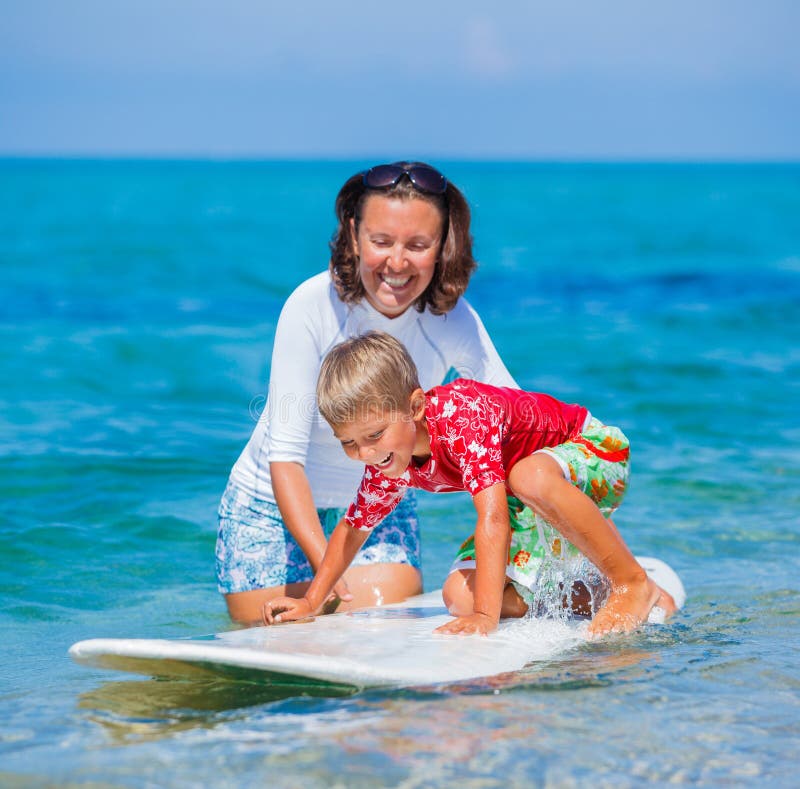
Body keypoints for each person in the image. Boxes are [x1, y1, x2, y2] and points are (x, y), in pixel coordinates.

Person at [216, 162, 517, 624]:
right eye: (381, 242)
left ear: (442, 247)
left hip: (380, 498)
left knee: (384, 620)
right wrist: (325, 571)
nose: (397, 263)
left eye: (417, 245)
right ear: (354, 236)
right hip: (271, 509)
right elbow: (286, 456)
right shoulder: (312, 306)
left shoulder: (453, 321)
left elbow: (516, 416)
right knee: (275, 626)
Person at [262, 331, 678, 637]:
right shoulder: (390, 459)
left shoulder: (462, 418)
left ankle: (630, 581)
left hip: (591, 455)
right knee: (459, 595)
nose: (366, 453)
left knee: (527, 477)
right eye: (349, 443)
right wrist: (311, 602)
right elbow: (353, 529)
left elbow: (493, 517)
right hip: (527, 499)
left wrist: (485, 618)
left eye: (373, 435)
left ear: (416, 406)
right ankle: (600, 592)